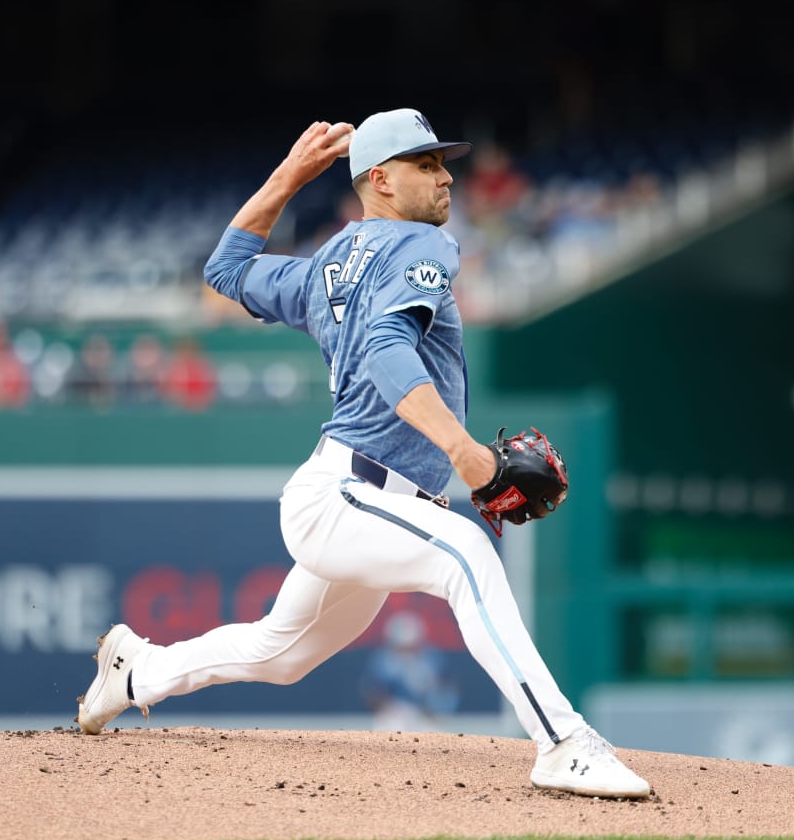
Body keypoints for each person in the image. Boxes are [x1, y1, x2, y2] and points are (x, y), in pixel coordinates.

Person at [75, 109, 650, 799]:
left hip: (354, 498)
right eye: (425, 164)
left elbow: (225, 270)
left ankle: (137, 671)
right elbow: (383, 349)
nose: (444, 178)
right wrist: (464, 452)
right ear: (380, 180)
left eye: (444, 163)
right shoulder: (423, 247)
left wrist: (290, 174)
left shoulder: (325, 265)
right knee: (465, 555)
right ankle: (560, 745)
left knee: (279, 653)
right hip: (351, 493)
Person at [359, 610, 459, 733]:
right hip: (393, 714)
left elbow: (447, 689)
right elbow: (372, 691)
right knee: (390, 731)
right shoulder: (384, 658)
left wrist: (437, 706)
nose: (407, 650)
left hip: (427, 715)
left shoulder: (432, 657)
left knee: (436, 739)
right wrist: (388, 707)